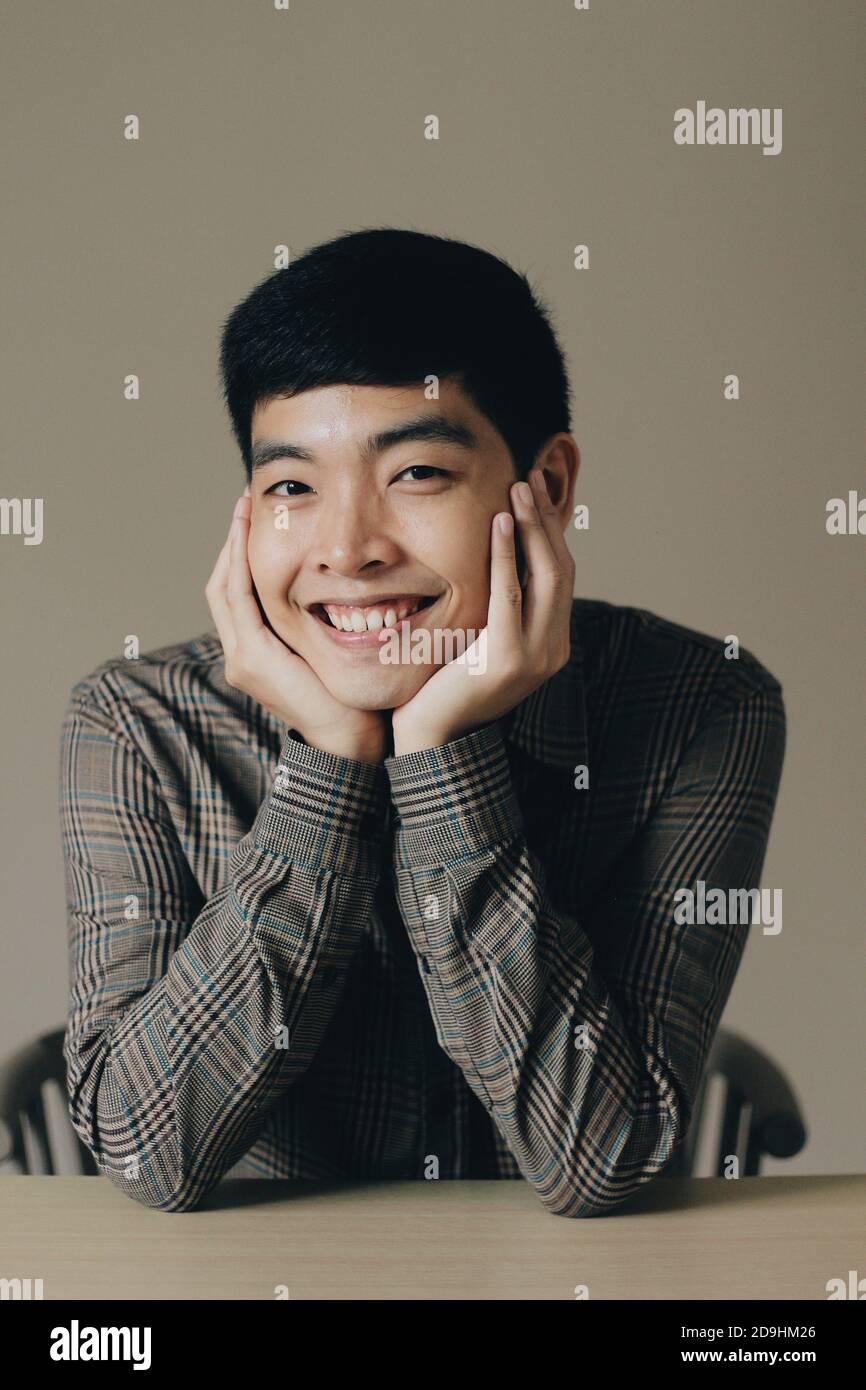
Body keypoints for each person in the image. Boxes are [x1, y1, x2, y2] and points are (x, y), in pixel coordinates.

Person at [59, 228, 786, 1215]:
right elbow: (147, 1154)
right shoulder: (138, 720)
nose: (347, 548)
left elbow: (599, 1157)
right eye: (290, 487)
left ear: (550, 485)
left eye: (417, 475)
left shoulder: (700, 705)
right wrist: (329, 767)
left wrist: (438, 759)